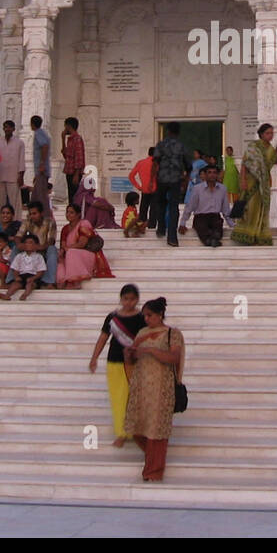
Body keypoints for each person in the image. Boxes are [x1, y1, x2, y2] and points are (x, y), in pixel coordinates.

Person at [123, 297, 184, 481]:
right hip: (141, 387)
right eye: (145, 316)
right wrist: (129, 354)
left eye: (150, 315)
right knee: (137, 427)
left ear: (160, 315)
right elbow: (132, 359)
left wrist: (150, 351)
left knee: (157, 430)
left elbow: (174, 358)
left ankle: (153, 472)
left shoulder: (171, 334)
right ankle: (153, 461)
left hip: (161, 389)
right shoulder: (142, 332)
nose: (146, 319)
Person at [88, 284, 145, 446]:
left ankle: (137, 430)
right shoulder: (112, 317)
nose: (129, 302)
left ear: (137, 299)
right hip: (115, 361)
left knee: (134, 398)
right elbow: (103, 338)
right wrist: (94, 358)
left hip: (136, 362)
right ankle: (122, 433)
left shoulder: (143, 317)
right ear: (121, 299)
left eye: (132, 299)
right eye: (126, 299)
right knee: (118, 398)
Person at [232, 124, 277, 246]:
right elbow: (244, 163)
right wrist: (242, 180)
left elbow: (267, 168)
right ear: (261, 134)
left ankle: (259, 235)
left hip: (264, 184)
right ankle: (248, 234)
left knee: (262, 209)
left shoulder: (272, 150)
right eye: (267, 133)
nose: (270, 135)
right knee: (250, 208)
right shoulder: (253, 147)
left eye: (271, 133)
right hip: (250, 181)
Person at [152, 122, 191, 248]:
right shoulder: (181, 146)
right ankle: (172, 237)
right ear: (178, 132)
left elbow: (155, 163)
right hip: (175, 179)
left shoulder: (161, 145)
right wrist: (186, 179)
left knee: (160, 203)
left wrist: (151, 180)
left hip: (162, 178)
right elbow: (188, 165)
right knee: (173, 207)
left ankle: (161, 227)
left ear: (167, 131)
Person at [57, 202, 111, 287]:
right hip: (69, 253)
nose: (68, 214)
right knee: (61, 260)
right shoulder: (65, 228)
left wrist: (68, 248)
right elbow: (63, 244)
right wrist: (63, 251)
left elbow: (82, 244)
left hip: (86, 254)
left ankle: (73, 281)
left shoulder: (84, 224)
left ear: (78, 214)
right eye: (67, 212)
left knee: (71, 253)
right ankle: (66, 281)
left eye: (71, 212)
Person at [178, 164, 233, 247]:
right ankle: (210, 240)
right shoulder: (197, 189)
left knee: (218, 229)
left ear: (217, 175)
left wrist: (231, 224)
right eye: (209, 172)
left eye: (214, 172)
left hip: (215, 216)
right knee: (202, 228)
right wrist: (183, 223)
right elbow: (190, 206)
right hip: (201, 217)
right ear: (205, 175)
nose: (212, 175)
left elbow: (225, 209)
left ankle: (213, 239)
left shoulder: (222, 189)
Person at [20, 200, 59, 287]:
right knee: (16, 248)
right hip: (31, 250)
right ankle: (12, 279)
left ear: (41, 213)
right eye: (30, 214)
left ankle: (50, 282)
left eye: (34, 213)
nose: (32, 216)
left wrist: (41, 247)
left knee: (52, 249)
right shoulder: (27, 222)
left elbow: (51, 240)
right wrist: (20, 244)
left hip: (45, 249)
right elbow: (18, 236)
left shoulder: (50, 222)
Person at [0, 232, 47, 301]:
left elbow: (41, 271)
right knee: (15, 284)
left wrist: (33, 278)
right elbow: (15, 268)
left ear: (36, 245)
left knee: (31, 284)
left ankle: (25, 294)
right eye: (26, 243)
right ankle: (8, 295)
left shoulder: (39, 257)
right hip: (22, 276)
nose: (28, 245)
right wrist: (16, 276)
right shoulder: (19, 256)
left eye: (31, 243)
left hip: (33, 276)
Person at [0, 120, 28, 217]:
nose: (7, 129)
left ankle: (16, 222)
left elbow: (21, 160)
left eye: (9, 127)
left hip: (14, 176)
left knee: (15, 202)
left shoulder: (19, 143)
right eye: (5, 127)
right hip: (0, 175)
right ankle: (0, 222)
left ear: (13, 129)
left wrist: (21, 175)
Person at [129, 147, 158, 232]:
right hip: (155, 189)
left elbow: (131, 176)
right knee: (154, 209)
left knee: (143, 209)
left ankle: (141, 225)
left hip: (144, 189)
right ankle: (152, 227)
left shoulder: (141, 163)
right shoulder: (157, 163)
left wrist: (138, 186)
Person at [29, 115, 52, 213]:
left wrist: (42, 164)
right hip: (40, 171)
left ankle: (46, 217)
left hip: (42, 169)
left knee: (42, 196)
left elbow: (45, 146)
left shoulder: (39, 133)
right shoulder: (42, 133)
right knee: (35, 196)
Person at [62, 117, 86, 205]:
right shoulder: (70, 139)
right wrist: (62, 139)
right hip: (69, 171)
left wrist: (76, 174)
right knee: (71, 196)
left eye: (65, 126)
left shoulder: (77, 139)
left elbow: (79, 157)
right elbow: (65, 155)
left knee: (74, 197)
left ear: (68, 126)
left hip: (74, 172)